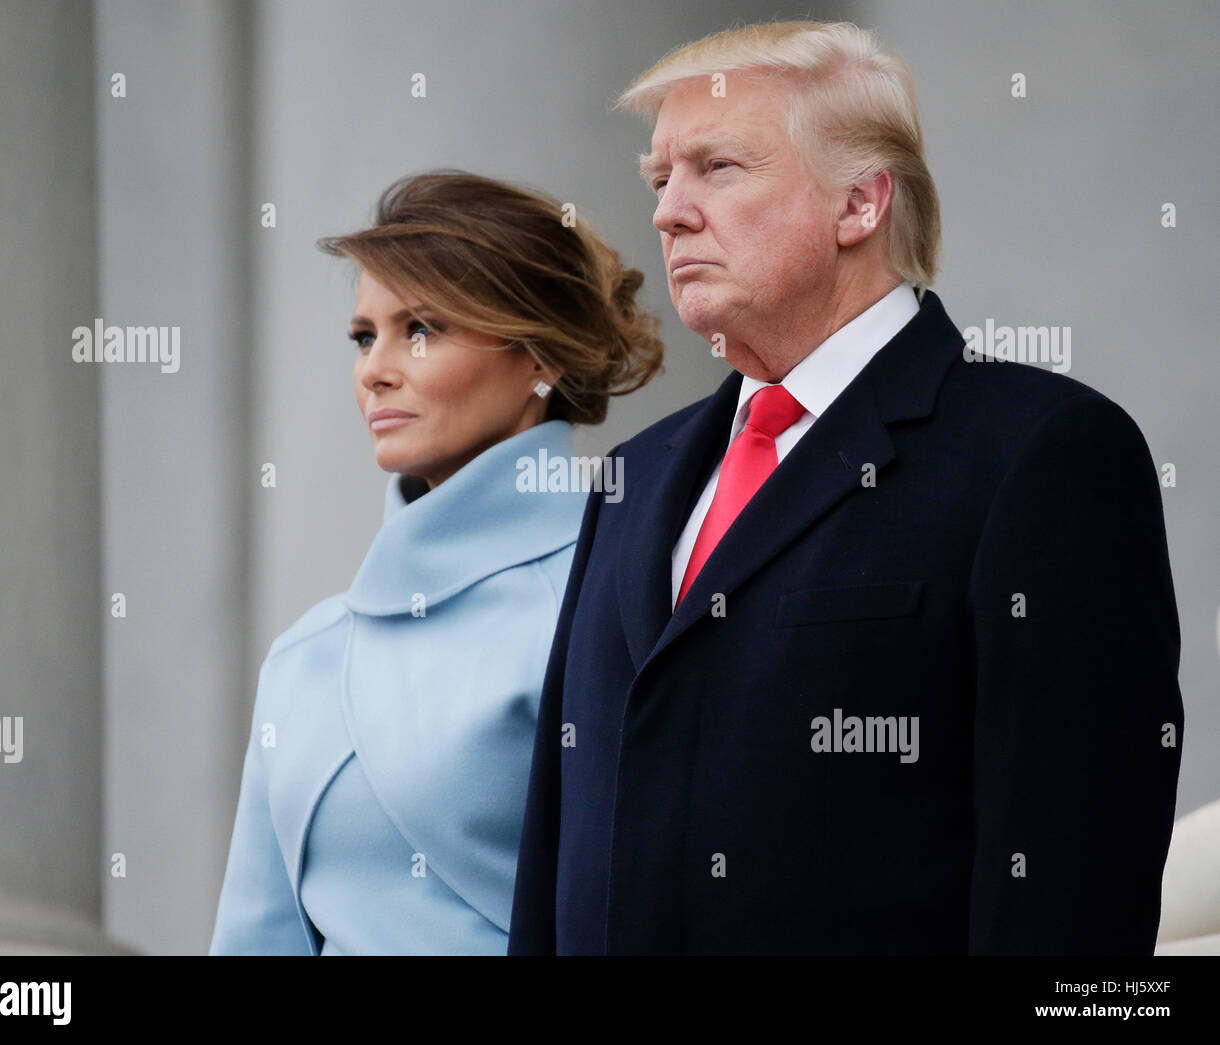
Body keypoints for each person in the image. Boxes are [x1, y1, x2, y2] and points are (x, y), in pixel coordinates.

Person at [509, 20, 1184, 955]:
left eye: (718, 168)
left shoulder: (1043, 453)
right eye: (660, 179)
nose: (667, 211)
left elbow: (1073, 885)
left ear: (861, 203)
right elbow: (557, 844)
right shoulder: (635, 475)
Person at [210, 170, 663, 954]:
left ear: (540, 357)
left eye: (420, 329)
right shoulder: (305, 658)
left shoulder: (625, 598)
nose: (375, 368)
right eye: (363, 335)